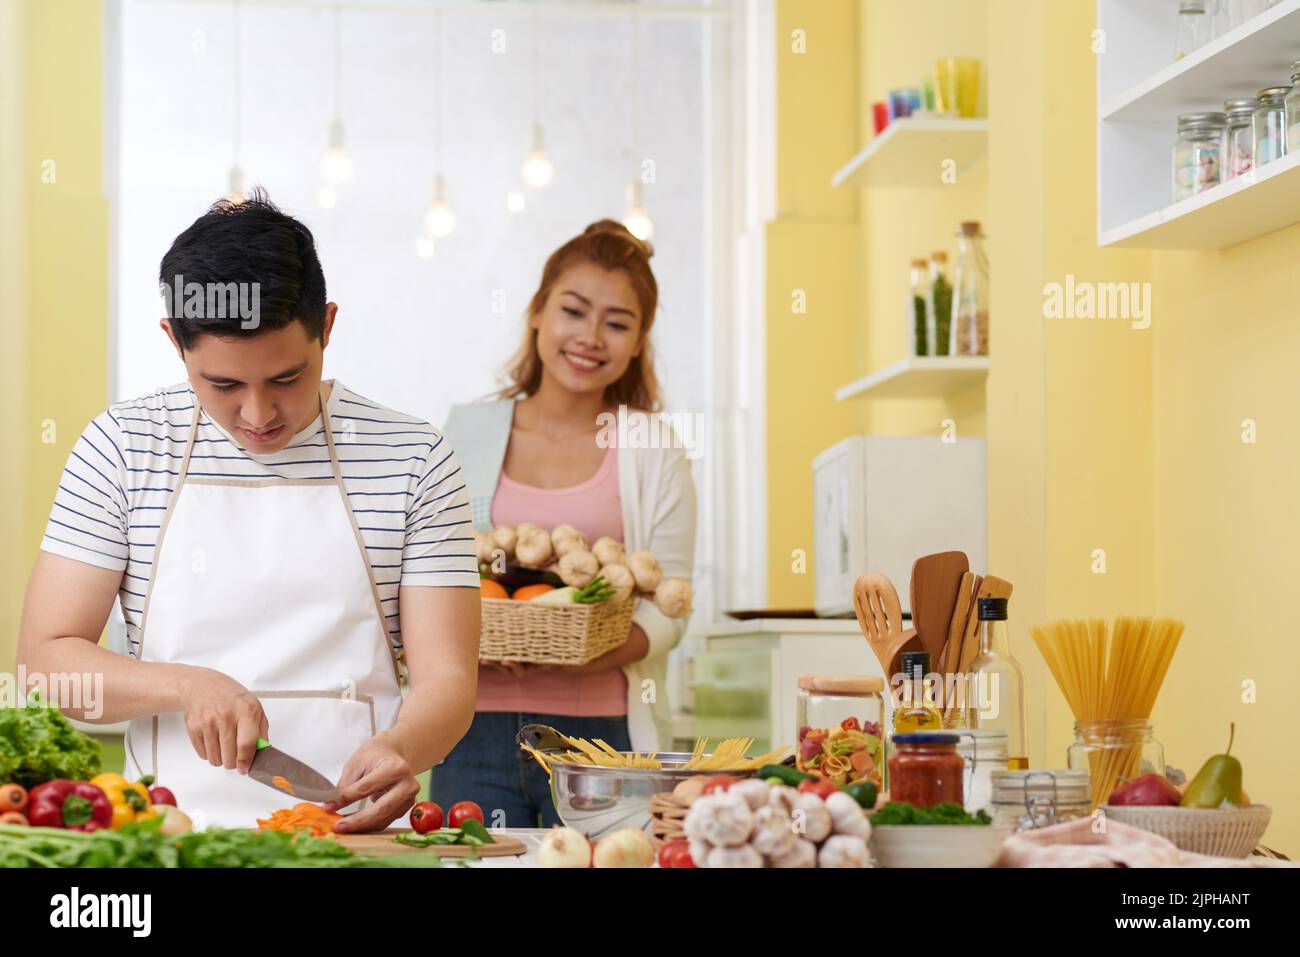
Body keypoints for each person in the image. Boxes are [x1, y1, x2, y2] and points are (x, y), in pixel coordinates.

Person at [16, 190, 480, 832]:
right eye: (224, 385)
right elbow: (45, 666)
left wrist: (404, 747)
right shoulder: (122, 447)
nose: (258, 416)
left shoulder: (412, 457)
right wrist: (185, 685)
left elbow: (448, 679)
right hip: (167, 837)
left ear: (329, 326)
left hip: (354, 838)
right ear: (174, 343)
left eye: (287, 379)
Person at [436, 220, 696, 827]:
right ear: (537, 312)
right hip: (469, 731)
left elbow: (670, 606)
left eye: (617, 322)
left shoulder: (651, 448)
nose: (590, 337)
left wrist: (586, 657)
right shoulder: (466, 432)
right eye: (573, 311)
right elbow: (431, 574)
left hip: (601, 741)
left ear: (639, 341)